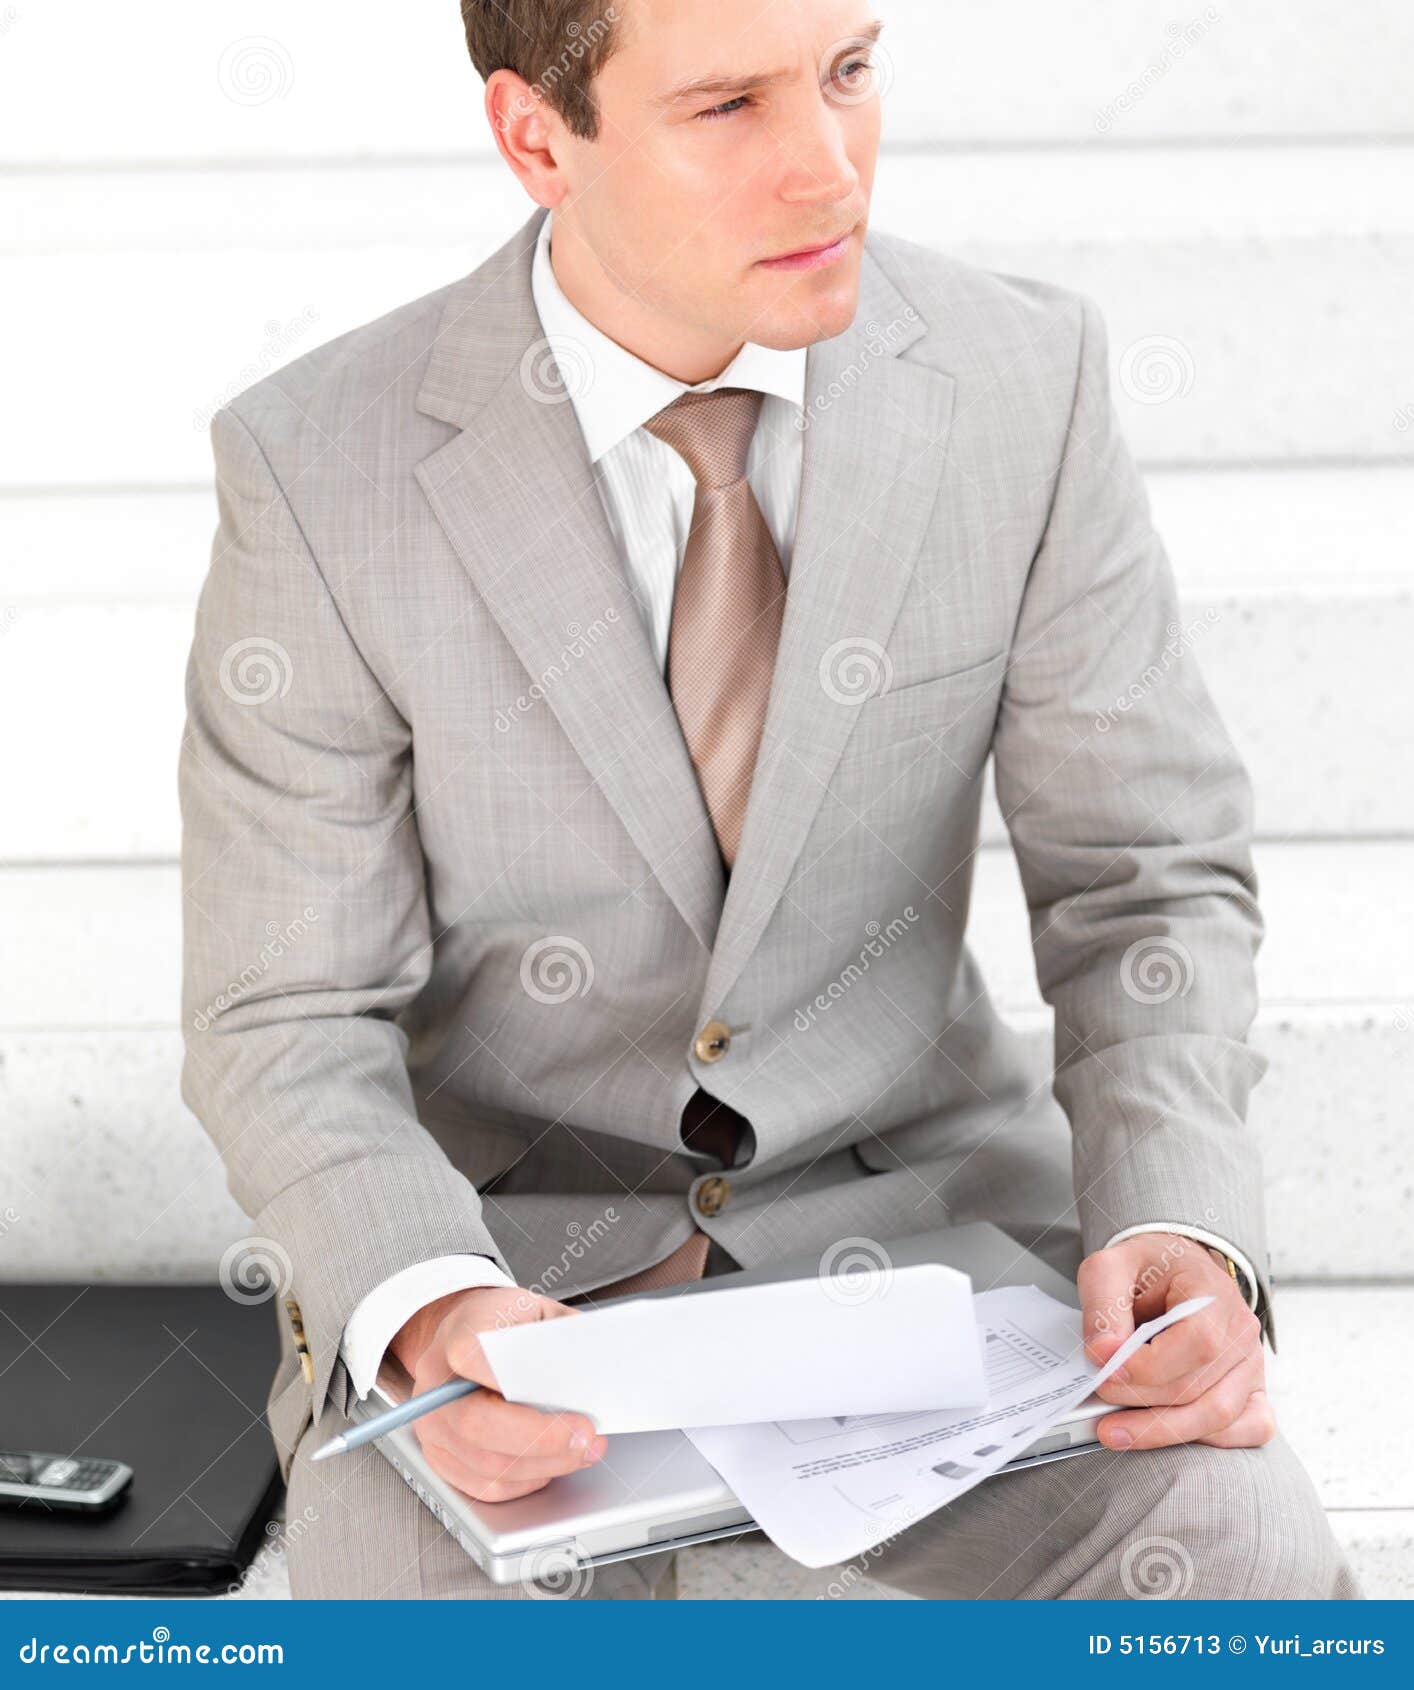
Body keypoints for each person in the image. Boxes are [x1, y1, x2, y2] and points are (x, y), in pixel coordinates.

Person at [179, 0, 1356, 1599]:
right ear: (539, 138)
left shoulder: (1022, 383)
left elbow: (1141, 879)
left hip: (934, 1261)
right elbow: (285, 1010)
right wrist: (424, 1297)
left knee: (1238, 1553)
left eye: (849, 73)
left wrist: (1183, 1225)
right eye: (728, 104)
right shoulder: (319, 469)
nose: (831, 170)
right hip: (520, 1301)